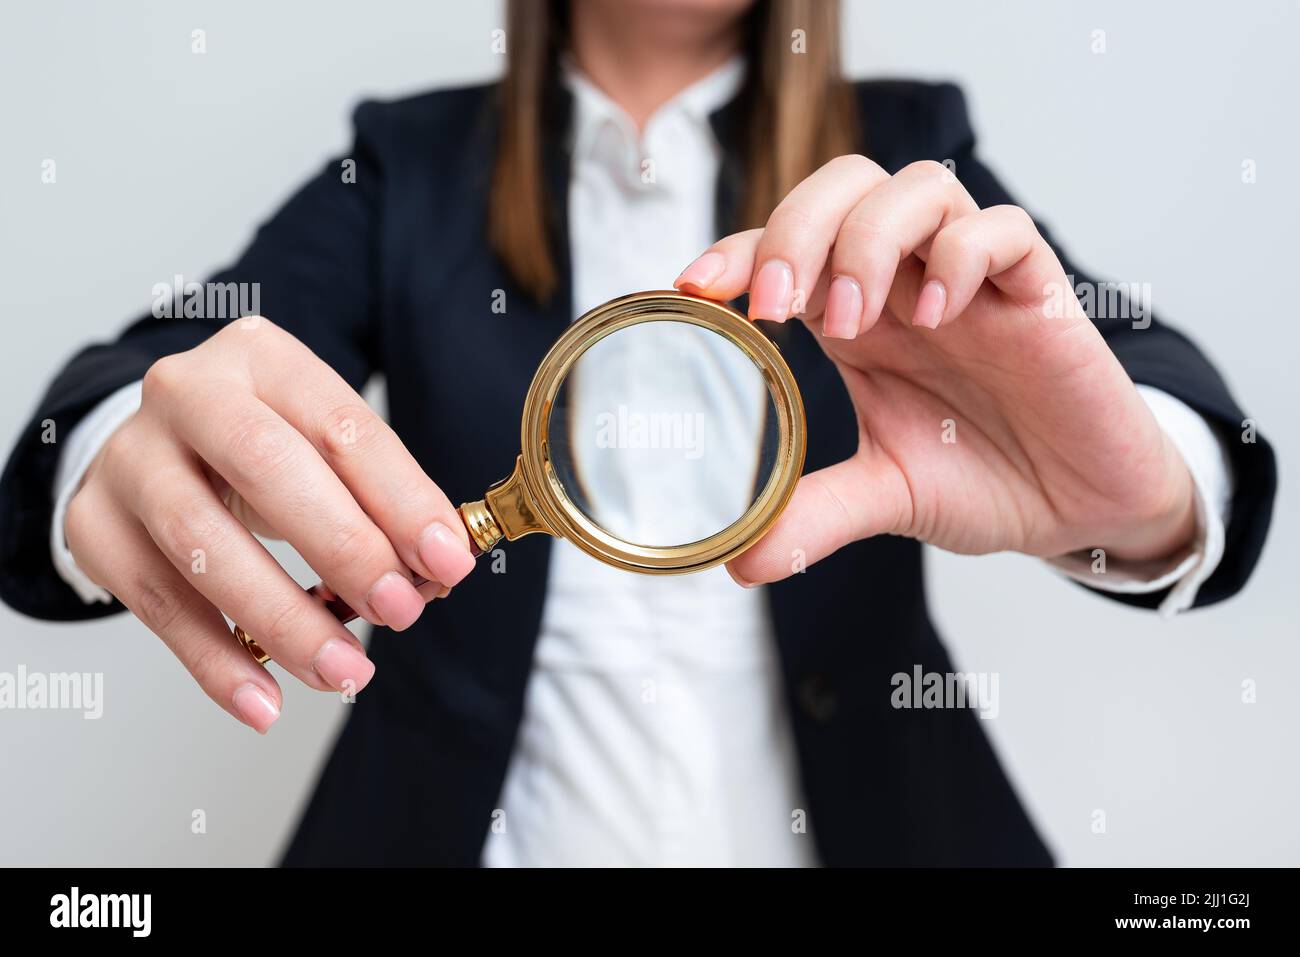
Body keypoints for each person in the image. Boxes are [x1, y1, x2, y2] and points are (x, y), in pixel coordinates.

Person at [0, 0, 1276, 866]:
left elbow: (1148, 385)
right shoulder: (410, 161)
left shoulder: (908, 142)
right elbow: (156, 369)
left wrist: (1145, 497)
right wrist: (117, 444)